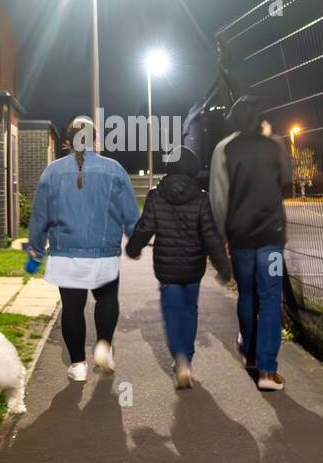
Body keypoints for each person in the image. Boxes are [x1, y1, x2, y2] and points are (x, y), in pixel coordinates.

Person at [27, 115, 140, 381]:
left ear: (67, 142)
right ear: (95, 140)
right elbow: (130, 214)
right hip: (104, 252)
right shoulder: (114, 170)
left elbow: (40, 217)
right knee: (107, 299)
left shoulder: (52, 172)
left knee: (72, 308)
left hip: (66, 253)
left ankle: (78, 365)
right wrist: (135, 241)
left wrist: (35, 252)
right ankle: (103, 345)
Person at [125, 146, 232, 389]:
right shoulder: (201, 198)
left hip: (167, 269)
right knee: (190, 310)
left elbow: (145, 227)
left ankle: (180, 357)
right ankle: (188, 357)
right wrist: (223, 266)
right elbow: (211, 235)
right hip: (193, 268)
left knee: (172, 311)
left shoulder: (155, 195)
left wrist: (134, 248)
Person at [210, 95, 292, 391]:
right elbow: (286, 178)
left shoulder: (224, 148)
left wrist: (220, 236)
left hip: (241, 237)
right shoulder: (275, 145)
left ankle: (251, 354)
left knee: (247, 294)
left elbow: (218, 197)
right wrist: (270, 140)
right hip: (271, 235)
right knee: (271, 298)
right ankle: (268, 372)